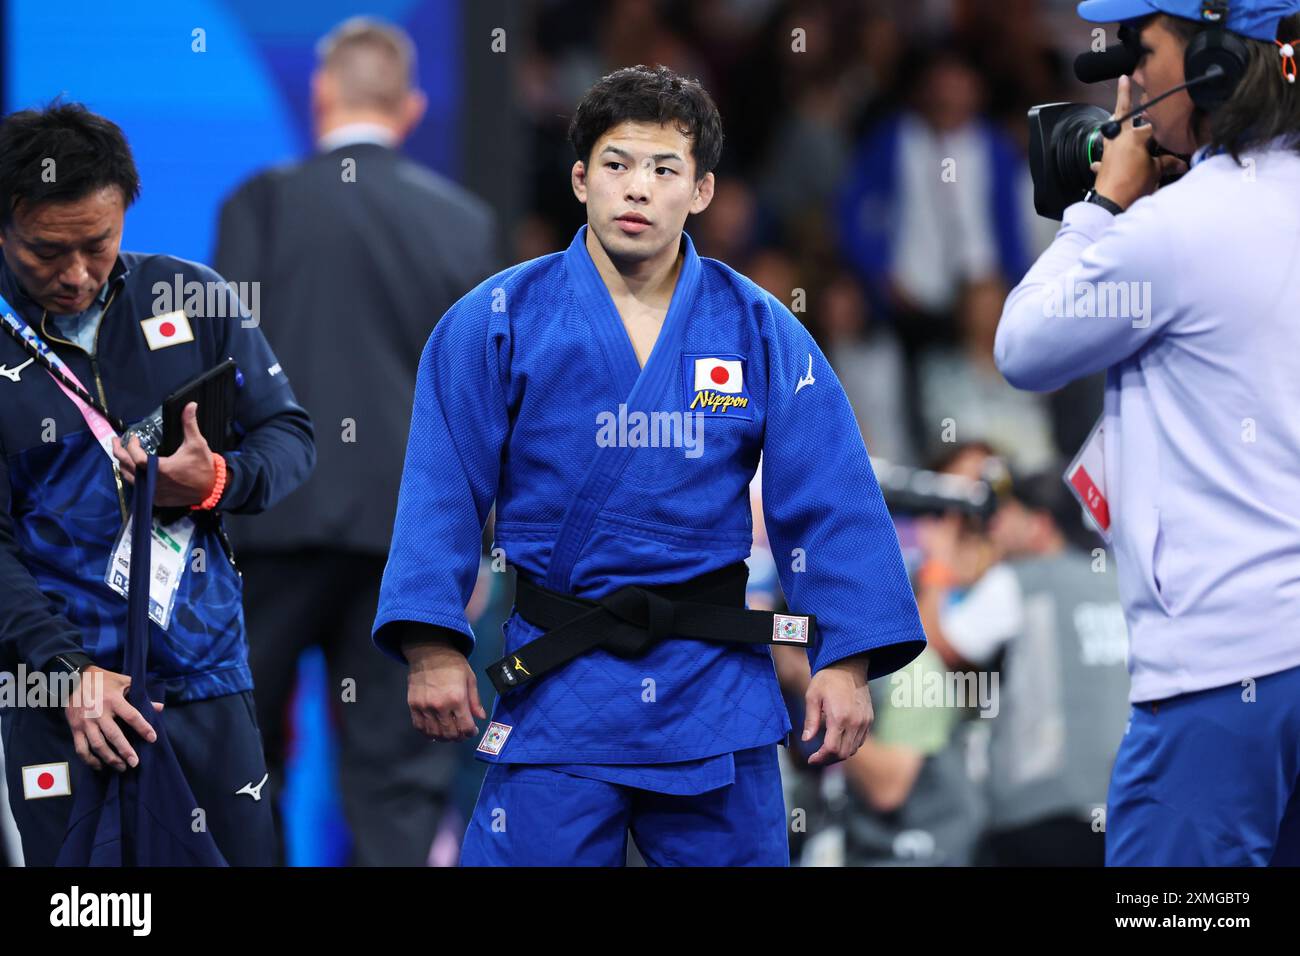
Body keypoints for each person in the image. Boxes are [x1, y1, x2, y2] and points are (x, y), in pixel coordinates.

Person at [372, 64, 928, 867]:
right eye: (617, 165)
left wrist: (845, 657)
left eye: (665, 170)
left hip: (713, 690)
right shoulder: (497, 320)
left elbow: (832, 494)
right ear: (580, 179)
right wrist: (433, 644)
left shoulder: (757, 327)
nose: (638, 189)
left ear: (700, 191)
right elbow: (438, 488)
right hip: (561, 684)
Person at [996, 0, 1300, 865]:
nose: (1126, 83)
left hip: (1218, 674)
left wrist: (1101, 206)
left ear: (1210, 67)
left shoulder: (1177, 229)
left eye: (1143, 50)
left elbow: (1023, 345)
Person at [214, 16, 497, 867]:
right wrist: (475, 547)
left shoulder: (258, 203)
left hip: (266, 531)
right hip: (403, 545)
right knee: (395, 779)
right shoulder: (463, 223)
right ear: (408, 109)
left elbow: (219, 371)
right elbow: (482, 402)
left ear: (320, 93)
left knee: (240, 762)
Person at [0, 103, 314, 865]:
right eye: (47, 251)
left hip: (206, 683)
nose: (75, 274)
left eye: (97, 245)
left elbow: (290, 437)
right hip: (64, 700)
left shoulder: (190, 295)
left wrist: (216, 481)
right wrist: (68, 675)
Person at [923, 472, 1130, 866]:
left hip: (1042, 809)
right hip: (1122, 801)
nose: (993, 527)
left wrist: (938, 562)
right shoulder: (1116, 580)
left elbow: (941, 645)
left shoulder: (1021, 580)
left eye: (1004, 515)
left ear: (1039, 523)